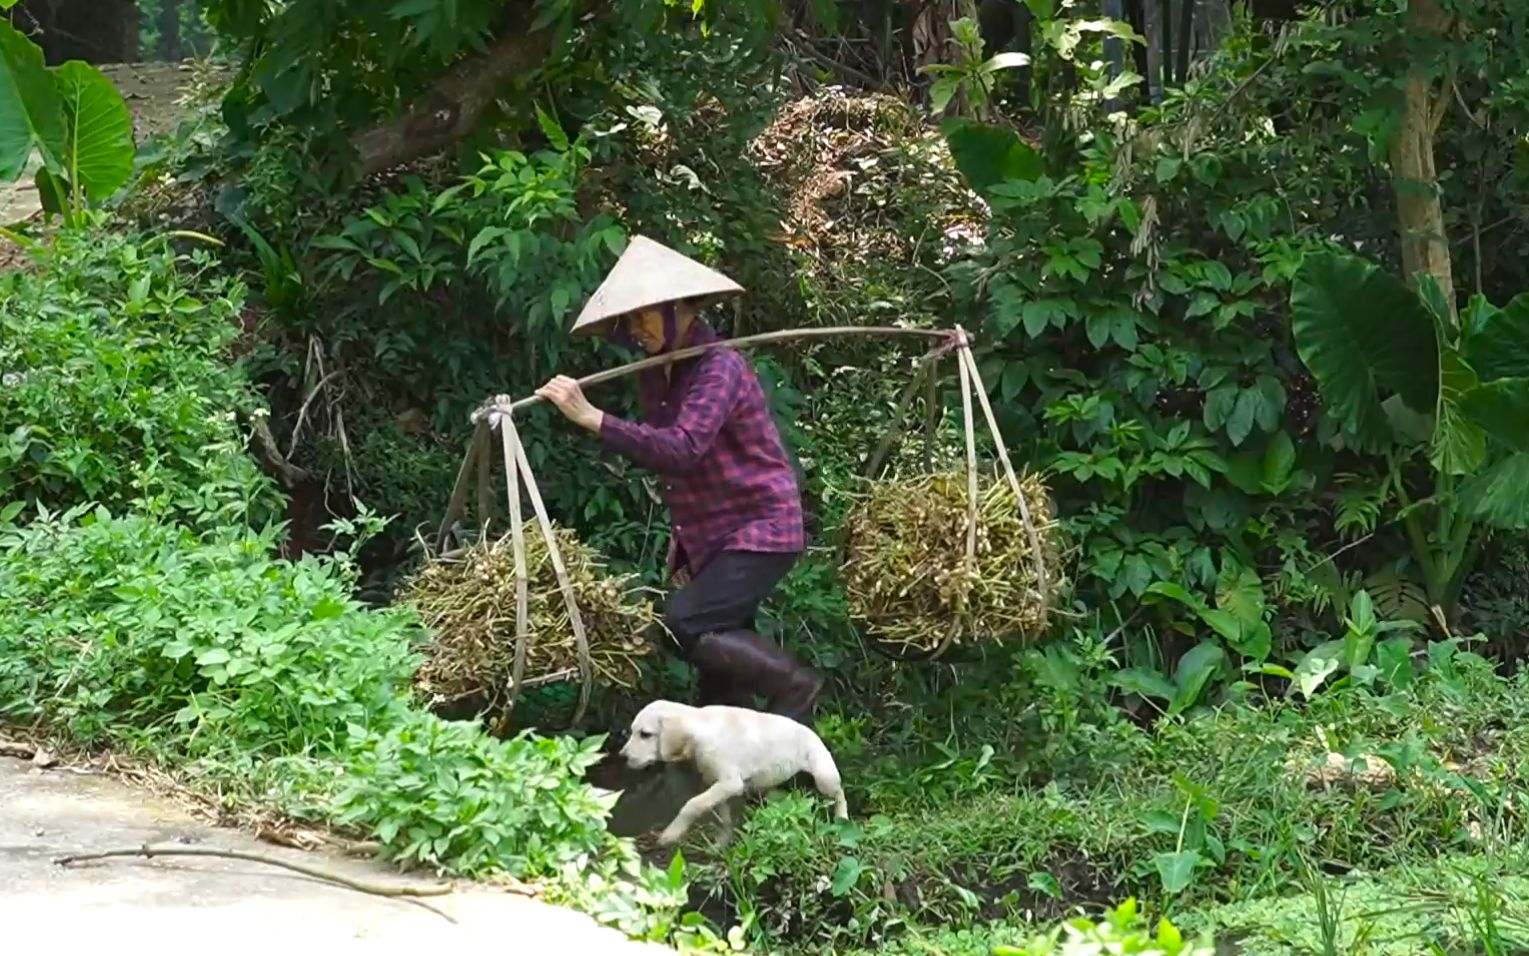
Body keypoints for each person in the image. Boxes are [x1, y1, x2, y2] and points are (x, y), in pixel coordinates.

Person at [534, 236, 824, 723]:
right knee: (719, 675)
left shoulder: (719, 366)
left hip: (761, 528)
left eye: (646, 315)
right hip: (715, 534)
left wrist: (592, 418)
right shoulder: (656, 373)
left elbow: (683, 448)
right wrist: (684, 541)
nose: (637, 328)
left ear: (681, 309)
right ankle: (752, 787)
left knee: (684, 624)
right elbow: (676, 460)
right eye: (630, 320)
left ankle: (798, 687)